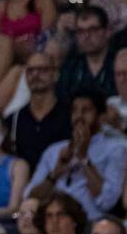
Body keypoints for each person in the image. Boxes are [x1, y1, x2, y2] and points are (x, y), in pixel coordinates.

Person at [26, 87, 127, 223]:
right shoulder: (54, 150)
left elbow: (107, 202)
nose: (78, 116)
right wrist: (54, 174)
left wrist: (84, 158)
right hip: (52, 224)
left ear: (101, 116)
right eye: (74, 110)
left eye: (86, 111)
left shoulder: (116, 149)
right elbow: (31, 198)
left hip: (91, 224)